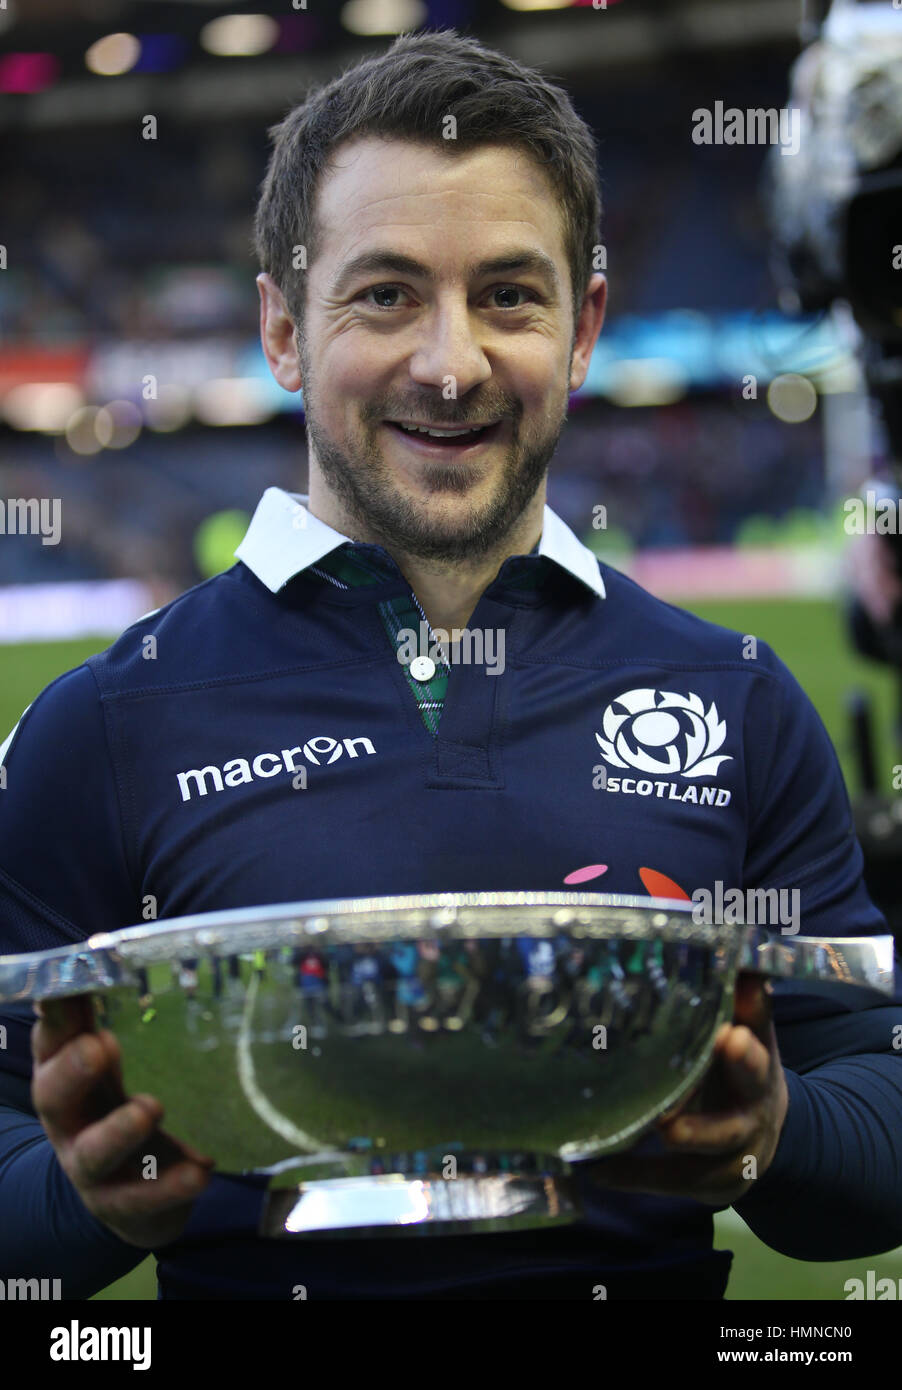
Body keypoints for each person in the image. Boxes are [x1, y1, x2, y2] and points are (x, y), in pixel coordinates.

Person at [0, 28, 900, 1301]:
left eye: (507, 295)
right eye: (383, 293)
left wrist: (771, 1139)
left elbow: (879, 1102)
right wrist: (86, 1199)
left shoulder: (738, 699)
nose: (451, 361)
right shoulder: (97, 730)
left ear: (582, 329)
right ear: (282, 329)